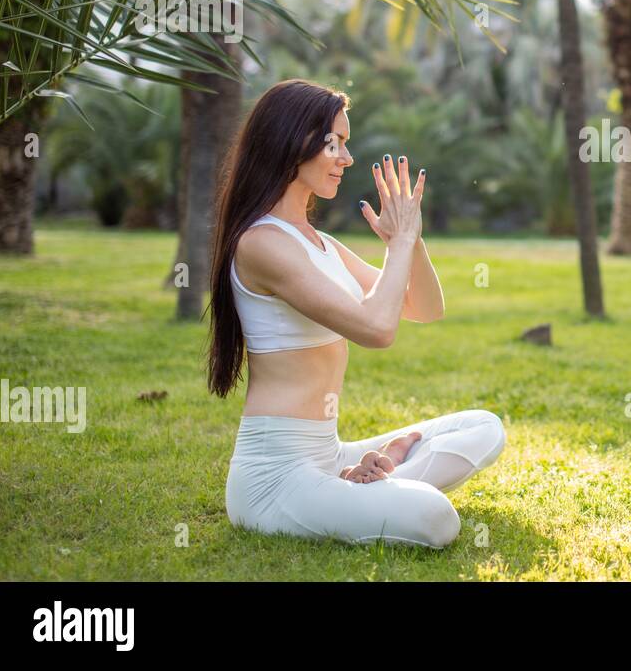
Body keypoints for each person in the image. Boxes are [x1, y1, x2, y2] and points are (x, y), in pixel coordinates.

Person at [207, 79, 505, 548]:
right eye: (334, 143)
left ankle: (367, 474)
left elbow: (424, 308)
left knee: (485, 428)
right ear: (291, 141)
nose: (346, 158)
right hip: (277, 479)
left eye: (346, 143)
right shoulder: (261, 244)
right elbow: (376, 329)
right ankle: (377, 479)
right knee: (435, 520)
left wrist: (409, 238)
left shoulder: (320, 243)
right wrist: (400, 244)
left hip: (328, 453)